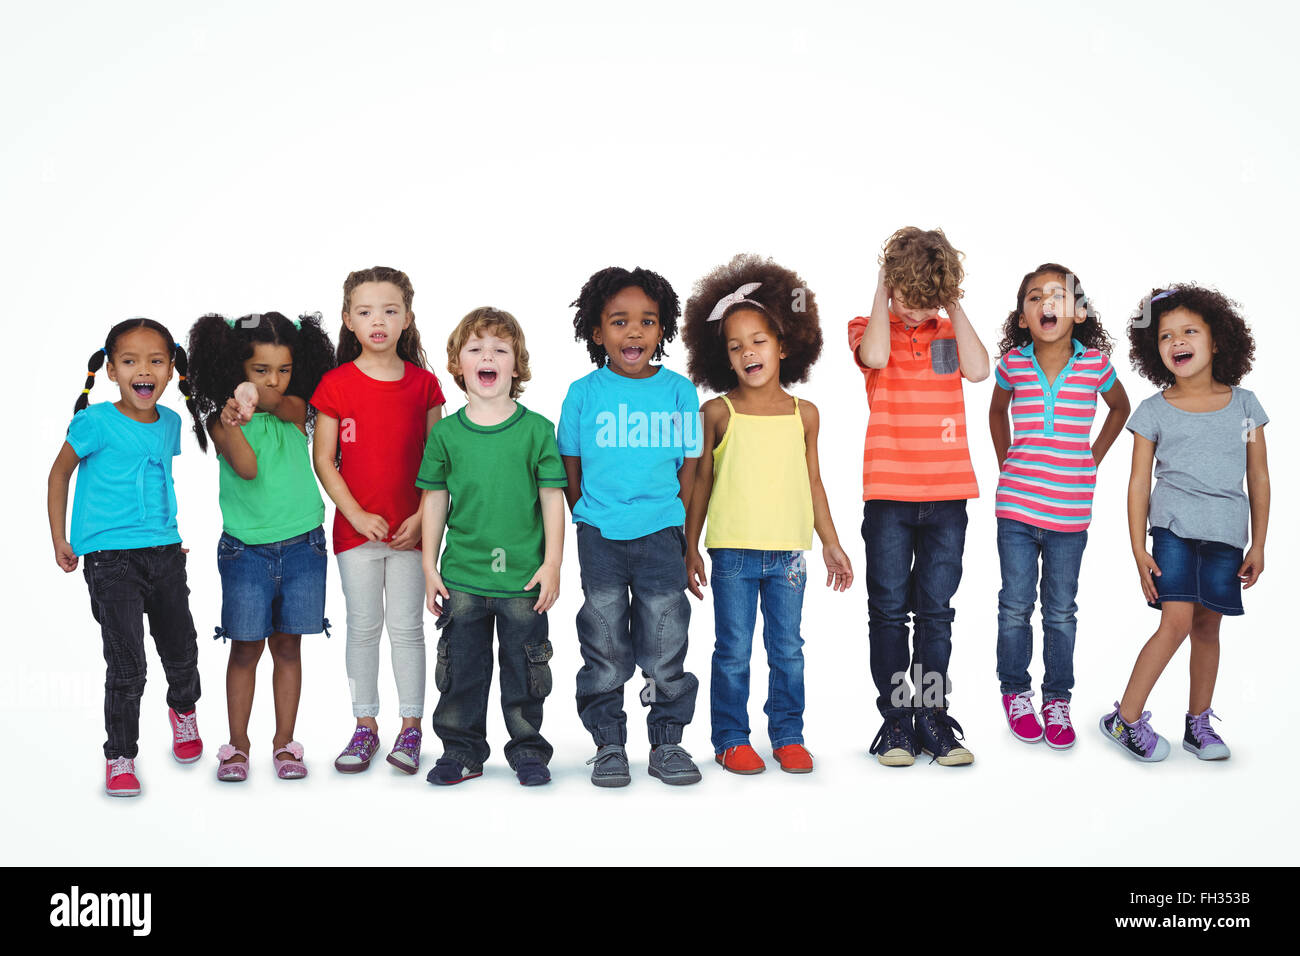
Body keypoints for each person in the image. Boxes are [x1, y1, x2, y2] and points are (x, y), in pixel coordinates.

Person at [682, 254, 853, 775]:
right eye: (735, 347)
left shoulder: (806, 414)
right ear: (723, 359)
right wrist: (690, 545)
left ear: (784, 344)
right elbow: (702, 483)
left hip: (789, 554)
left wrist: (831, 541)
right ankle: (731, 737)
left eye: (758, 340)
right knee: (732, 650)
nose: (747, 352)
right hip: (732, 551)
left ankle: (788, 734)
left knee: (788, 649)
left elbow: (814, 483)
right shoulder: (717, 412)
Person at [1101, 285, 1268, 762]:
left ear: (1217, 342)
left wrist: (1259, 543)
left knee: (1208, 629)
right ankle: (1124, 719)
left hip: (1226, 535)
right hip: (1172, 530)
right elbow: (1137, 484)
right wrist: (1138, 549)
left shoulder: (1245, 407)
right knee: (1174, 623)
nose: (1177, 341)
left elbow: (1258, 475)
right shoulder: (1152, 411)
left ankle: (1199, 725)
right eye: (1165, 336)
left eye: (1189, 331)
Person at [848, 227, 990, 767]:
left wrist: (949, 299)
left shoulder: (948, 333)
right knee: (888, 612)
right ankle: (897, 722)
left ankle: (933, 716)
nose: (914, 305)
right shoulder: (866, 327)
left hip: (948, 495)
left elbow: (979, 371)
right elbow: (878, 355)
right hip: (889, 495)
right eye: (905, 291)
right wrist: (885, 288)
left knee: (936, 613)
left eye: (924, 293)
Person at [558, 265, 703, 787]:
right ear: (597, 333)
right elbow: (570, 469)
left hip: (662, 533)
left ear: (662, 330)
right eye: (619, 322)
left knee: (666, 639)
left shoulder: (679, 393)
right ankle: (609, 743)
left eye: (647, 321)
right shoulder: (582, 394)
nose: (634, 332)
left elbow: (689, 468)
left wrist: (682, 535)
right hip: (599, 534)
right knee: (604, 642)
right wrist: (590, 517)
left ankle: (668, 744)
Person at [47, 319, 203, 796]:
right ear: (111, 370)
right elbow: (58, 477)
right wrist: (60, 539)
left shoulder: (171, 423)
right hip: (110, 560)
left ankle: (184, 710)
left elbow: (157, 481)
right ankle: (120, 755)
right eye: (131, 361)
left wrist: (169, 537)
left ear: (171, 368)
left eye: (156, 360)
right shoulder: (95, 421)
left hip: (164, 553)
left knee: (181, 647)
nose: (144, 370)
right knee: (127, 662)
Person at [185, 310, 336, 780]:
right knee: (246, 649)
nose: (275, 380)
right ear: (235, 368)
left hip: (303, 546)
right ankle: (238, 744)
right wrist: (231, 418)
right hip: (246, 553)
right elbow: (247, 468)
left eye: (284, 370)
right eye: (262, 370)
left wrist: (256, 397)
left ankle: (285, 743)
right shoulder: (218, 422)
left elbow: (282, 405)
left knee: (288, 647)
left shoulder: (296, 410)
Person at [418, 307, 566, 787]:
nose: (488, 357)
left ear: (516, 366)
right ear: (458, 365)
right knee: (461, 669)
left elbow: (551, 499)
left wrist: (553, 564)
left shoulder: (537, 430)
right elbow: (436, 498)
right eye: (476, 349)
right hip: (462, 576)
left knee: (525, 671)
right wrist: (427, 562)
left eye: (500, 350)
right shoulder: (445, 433)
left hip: (524, 578)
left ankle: (528, 751)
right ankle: (462, 752)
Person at [311, 267, 446, 774]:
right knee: (363, 628)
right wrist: (356, 513)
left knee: (409, 630)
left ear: (407, 318)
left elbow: (439, 464)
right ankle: (364, 726)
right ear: (348, 320)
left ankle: (411, 729)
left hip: (413, 533)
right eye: (365, 311)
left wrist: (420, 519)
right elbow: (324, 459)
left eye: (390, 310)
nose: (378, 321)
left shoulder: (425, 385)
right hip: (355, 534)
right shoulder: (335, 385)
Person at [989, 265, 1129, 749]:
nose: (1046, 302)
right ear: (1024, 317)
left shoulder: (1094, 365)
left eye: (1058, 295)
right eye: (1034, 296)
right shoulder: (1012, 364)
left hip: (1070, 511)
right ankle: (1016, 692)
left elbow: (1120, 408)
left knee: (1061, 611)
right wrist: (1005, 461)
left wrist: (1092, 457)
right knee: (1014, 605)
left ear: (1078, 311)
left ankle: (1056, 698)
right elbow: (995, 411)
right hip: (1017, 508)